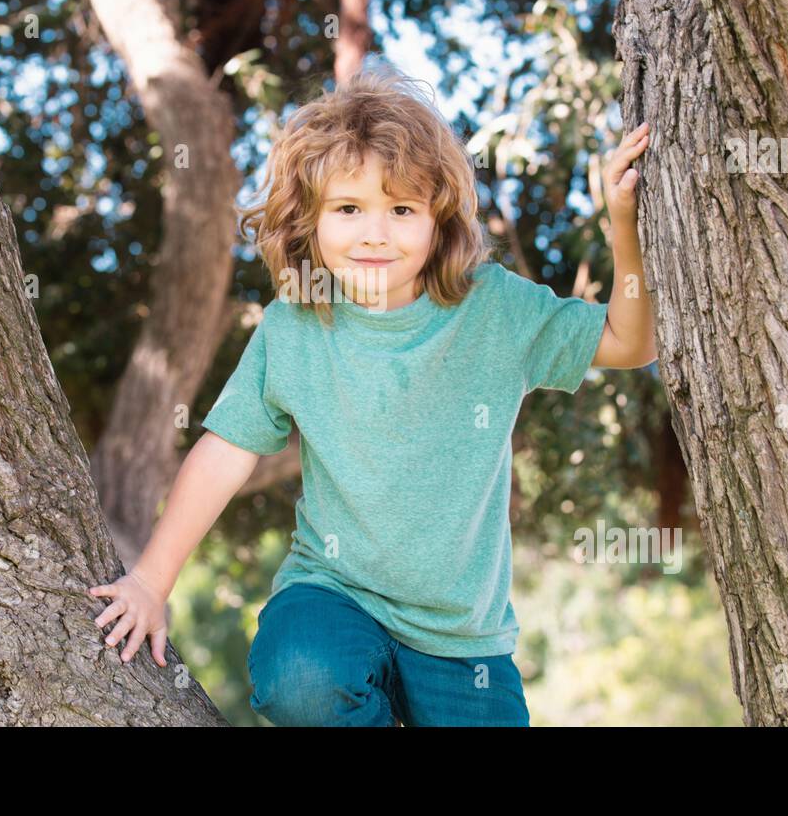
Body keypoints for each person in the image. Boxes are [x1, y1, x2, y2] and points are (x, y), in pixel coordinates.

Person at [86, 61, 657, 726]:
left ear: (438, 219)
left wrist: (623, 224)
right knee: (302, 679)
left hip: (463, 642)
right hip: (334, 597)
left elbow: (629, 342)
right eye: (349, 208)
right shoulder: (296, 325)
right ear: (310, 218)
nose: (375, 232)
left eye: (402, 208)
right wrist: (151, 581)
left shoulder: (494, 309)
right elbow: (225, 452)